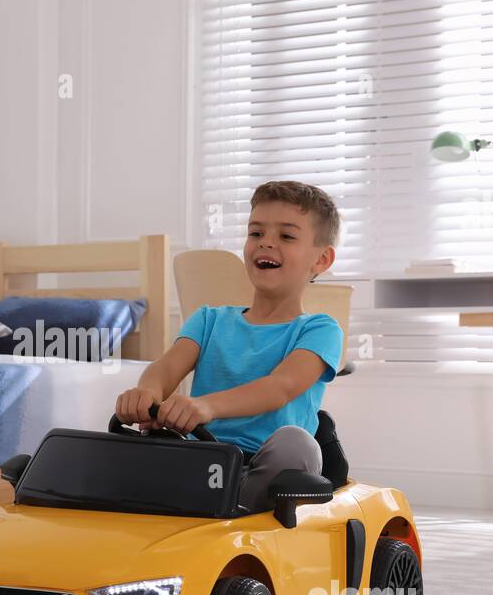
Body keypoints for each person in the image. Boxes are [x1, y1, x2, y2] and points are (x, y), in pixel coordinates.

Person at [114, 180, 345, 512]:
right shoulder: (209, 319)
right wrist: (148, 392)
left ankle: (236, 514)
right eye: (256, 233)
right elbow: (166, 368)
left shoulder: (320, 330)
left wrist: (206, 407)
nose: (266, 244)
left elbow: (279, 388)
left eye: (286, 236)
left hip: (265, 468)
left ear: (321, 259)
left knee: (297, 444)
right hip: (200, 460)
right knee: (137, 444)